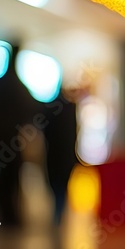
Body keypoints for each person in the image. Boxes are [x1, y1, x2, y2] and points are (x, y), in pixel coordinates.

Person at [0, 43, 38, 227]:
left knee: (6, 179)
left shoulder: (2, 83)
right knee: (10, 178)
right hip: (8, 141)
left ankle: (7, 215)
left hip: (3, 140)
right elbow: (31, 109)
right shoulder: (13, 84)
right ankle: (9, 216)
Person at [44, 87, 81, 224]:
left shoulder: (49, 110)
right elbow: (74, 135)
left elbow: (45, 133)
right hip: (65, 156)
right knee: (62, 187)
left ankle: (57, 214)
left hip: (53, 155)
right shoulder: (70, 109)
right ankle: (59, 214)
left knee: (56, 186)